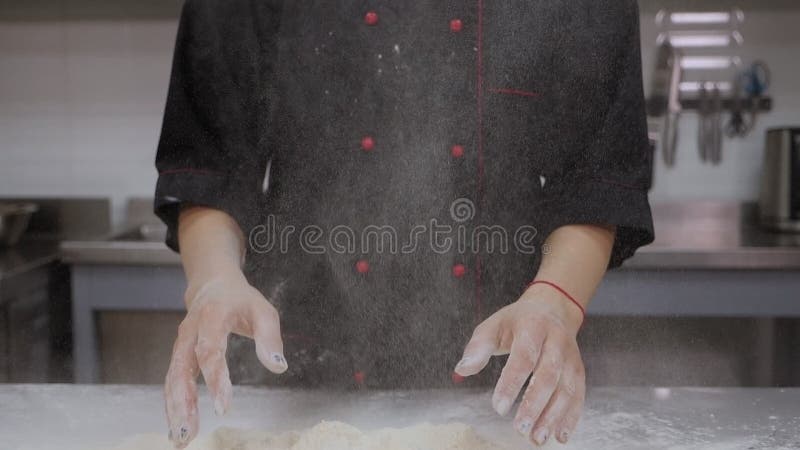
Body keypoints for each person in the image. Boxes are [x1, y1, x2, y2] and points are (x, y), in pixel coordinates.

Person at [154, 0, 654, 447]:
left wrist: (555, 302)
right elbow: (211, 162)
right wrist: (214, 282)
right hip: (294, 374)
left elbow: (595, 173)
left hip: (510, 380)